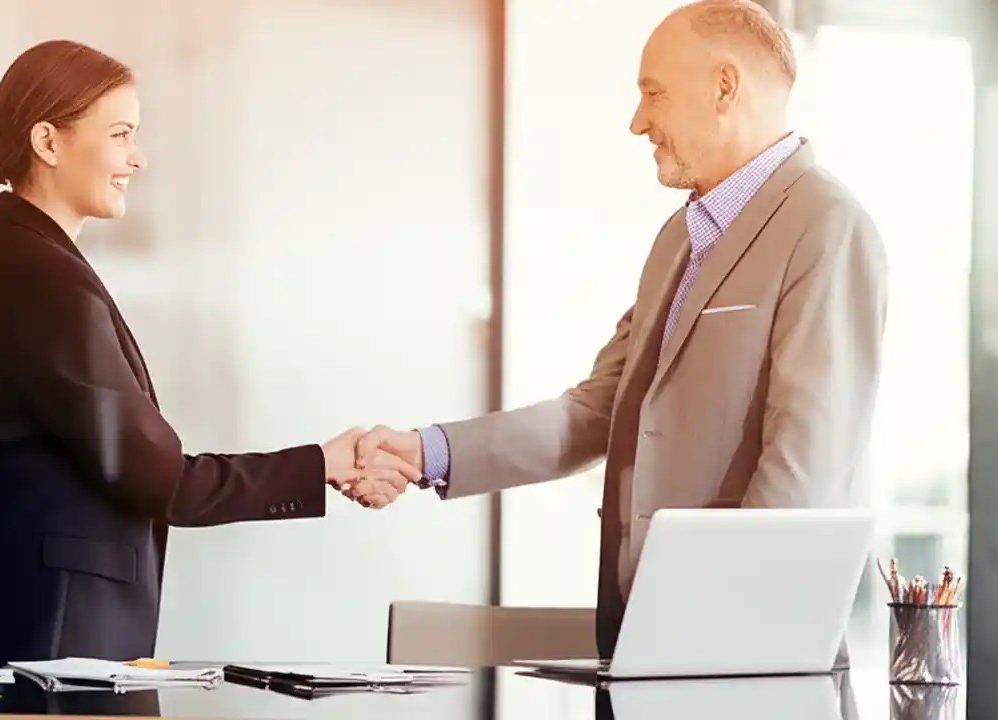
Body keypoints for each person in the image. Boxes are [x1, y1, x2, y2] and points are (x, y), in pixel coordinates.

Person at [343, 0, 887, 663]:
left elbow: (807, 466)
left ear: (724, 86)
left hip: (733, 657)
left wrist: (712, 641)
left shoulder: (827, 225)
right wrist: (425, 452)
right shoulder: (677, 243)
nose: (638, 123)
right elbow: (595, 410)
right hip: (641, 643)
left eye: (652, 93)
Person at [0, 39, 417, 668]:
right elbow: (165, 483)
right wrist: (321, 463)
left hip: (15, 636)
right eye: (120, 134)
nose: (136, 158)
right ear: (48, 142)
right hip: (40, 649)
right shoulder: (42, 279)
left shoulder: (21, 260)